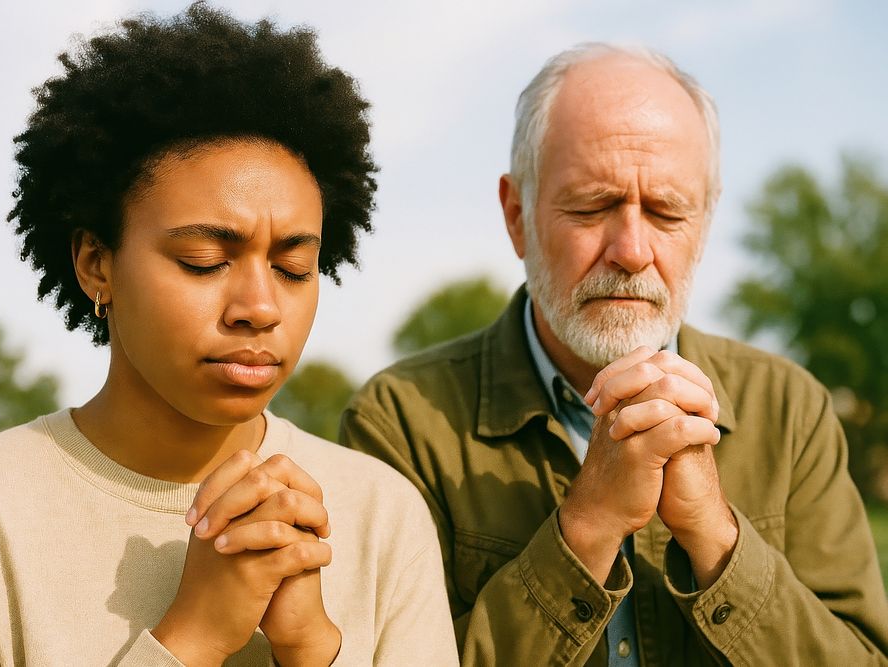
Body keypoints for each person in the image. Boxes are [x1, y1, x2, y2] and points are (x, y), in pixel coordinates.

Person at [0, 5, 457, 665]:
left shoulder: (383, 513)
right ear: (96, 264)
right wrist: (192, 637)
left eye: (294, 267)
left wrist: (311, 647)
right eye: (204, 261)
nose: (259, 307)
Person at [340, 43, 888, 665]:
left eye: (667, 212)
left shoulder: (791, 412)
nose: (631, 251)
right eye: (592, 206)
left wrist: (715, 534)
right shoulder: (401, 423)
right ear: (517, 215)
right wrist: (586, 528)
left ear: (704, 226)